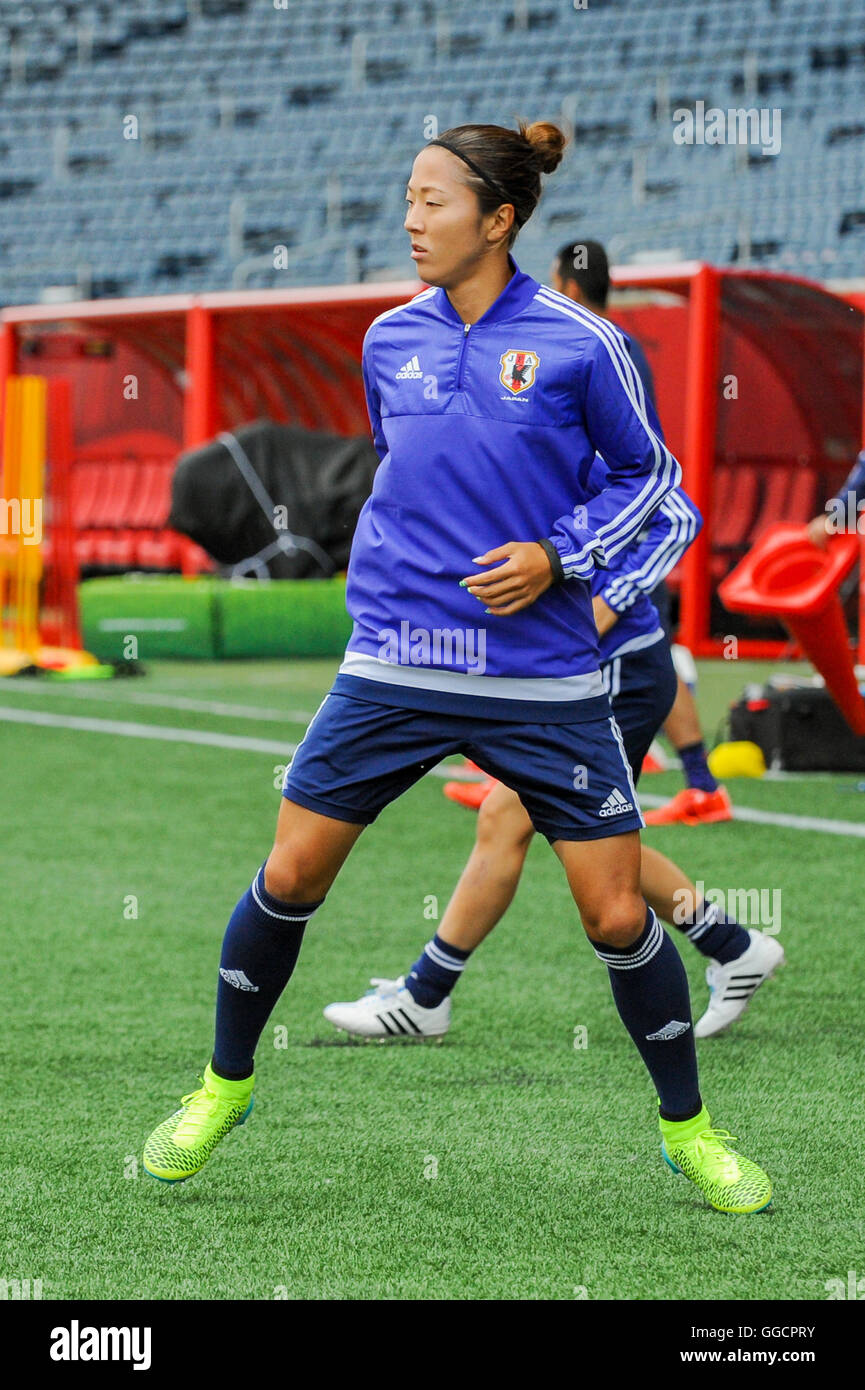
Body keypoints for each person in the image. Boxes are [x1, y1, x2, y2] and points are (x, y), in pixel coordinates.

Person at [142, 120, 772, 1213]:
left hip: (540, 676)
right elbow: (409, 473)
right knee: (290, 875)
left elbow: (656, 485)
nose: (411, 219)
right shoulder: (388, 337)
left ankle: (690, 1132)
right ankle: (220, 1089)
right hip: (394, 659)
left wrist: (558, 556)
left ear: (498, 219)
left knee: (615, 915)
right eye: (408, 197)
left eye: (432, 201)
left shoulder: (583, 344)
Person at [324, 453, 784, 1045]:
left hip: (613, 670)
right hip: (572, 672)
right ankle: (733, 946)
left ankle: (425, 995)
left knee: (516, 819)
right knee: (582, 837)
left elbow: (678, 515)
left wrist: (609, 601)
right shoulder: (477, 433)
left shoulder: (560, 420)